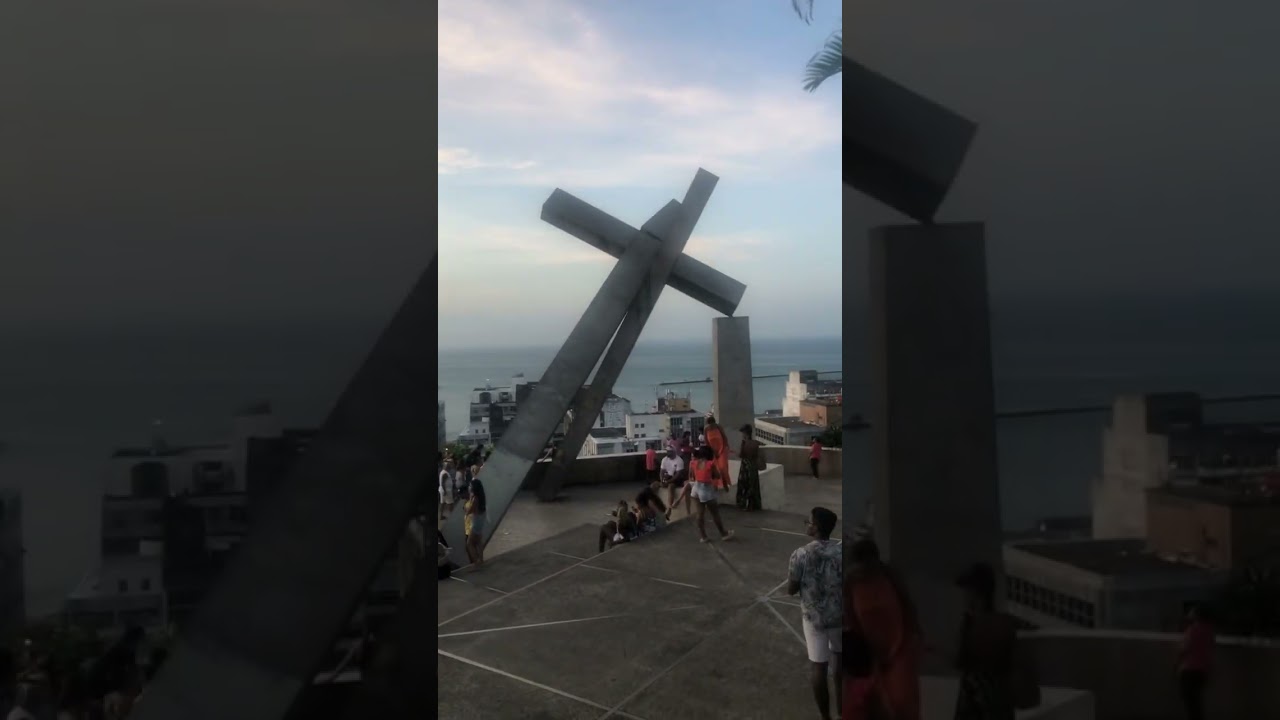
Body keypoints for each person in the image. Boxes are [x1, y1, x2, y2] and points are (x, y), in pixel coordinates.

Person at [847, 538, 922, 720]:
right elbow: (852, 622)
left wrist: (912, 641)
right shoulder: (850, 584)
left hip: (900, 650)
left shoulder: (889, 578)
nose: (864, 569)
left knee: (902, 705)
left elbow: (908, 611)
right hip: (870, 657)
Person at [788, 507, 843, 720]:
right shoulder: (841, 552)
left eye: (809, 522)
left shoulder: (800, 554)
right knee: (840, 662)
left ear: (816, 527)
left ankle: (825, 716)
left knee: (818, 666)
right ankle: (843, 711)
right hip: (839, 615)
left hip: (814, 619)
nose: (807, 524)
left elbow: (792, 588)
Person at [953, 563, 1017, 720]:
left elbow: (961, 661)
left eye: (968, 592)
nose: (965, 597)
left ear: (976, 594)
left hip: (976, 707)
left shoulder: (970, 624)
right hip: (1001, 708)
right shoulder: (1007, 624)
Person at [685, 445, 734, 543]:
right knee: (715, 513)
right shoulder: (710, 464)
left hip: (696, 489)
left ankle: (703, 536)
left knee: (699, 514)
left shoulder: (693, 463)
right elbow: (717, 475)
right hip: (706, 489)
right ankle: (723, 534)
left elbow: (692, 476)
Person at [1177, 604, 1214, 720]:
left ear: (1197, 615)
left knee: (1190, 701)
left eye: (1192, 612)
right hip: (1202, 670)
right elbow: (1210, 648)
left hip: (1189, 670)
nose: (1189, 614)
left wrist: (1176, 664)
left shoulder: (1192, 630)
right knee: (1197, 701)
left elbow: (1185, 649)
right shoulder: (1209, 630)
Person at [735, 424, 762, 511]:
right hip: (753, 467)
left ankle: (743, 504)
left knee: (744, 486)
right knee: (753, 486)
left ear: (745, 433)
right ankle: (753, 505)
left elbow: (741, 455)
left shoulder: (744, 443)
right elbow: (757, 455)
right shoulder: (755, 443)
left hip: (745, 467)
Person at [464, 471, 487, 569]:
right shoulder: (481, 497)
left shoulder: (474, 499)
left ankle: (476, 563)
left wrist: (466, 508)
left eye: (470, 486)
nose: (469, 487)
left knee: (469, 543)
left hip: (476, 521)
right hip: (481, 519)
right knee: (478, 541)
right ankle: (481, 560)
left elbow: (468, 511)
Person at [704, 415, 731, 491]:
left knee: (723, 468)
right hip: (712, 451)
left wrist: (722, 449)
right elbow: (706, 442)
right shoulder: (706, 429)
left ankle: (725, 483)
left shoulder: (718, 427)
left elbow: (724, 438)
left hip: (722, 449)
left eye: (712, 424)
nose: (711, 426)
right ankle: (716, 485)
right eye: (709, 424)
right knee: (715, 469)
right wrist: (712, 452)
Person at [658, 447, 686, 516]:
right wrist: (662, 480)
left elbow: (678, 475)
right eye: (667, 451)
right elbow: (661, 471)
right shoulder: (664, 459)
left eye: (669, 451)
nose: (667, 453)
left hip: (677, 479)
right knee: (654, 485)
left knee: (671, 486)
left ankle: (669, 508)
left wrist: (668, 481)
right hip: (668, 477)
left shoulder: (679, 460)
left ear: (673, 452)